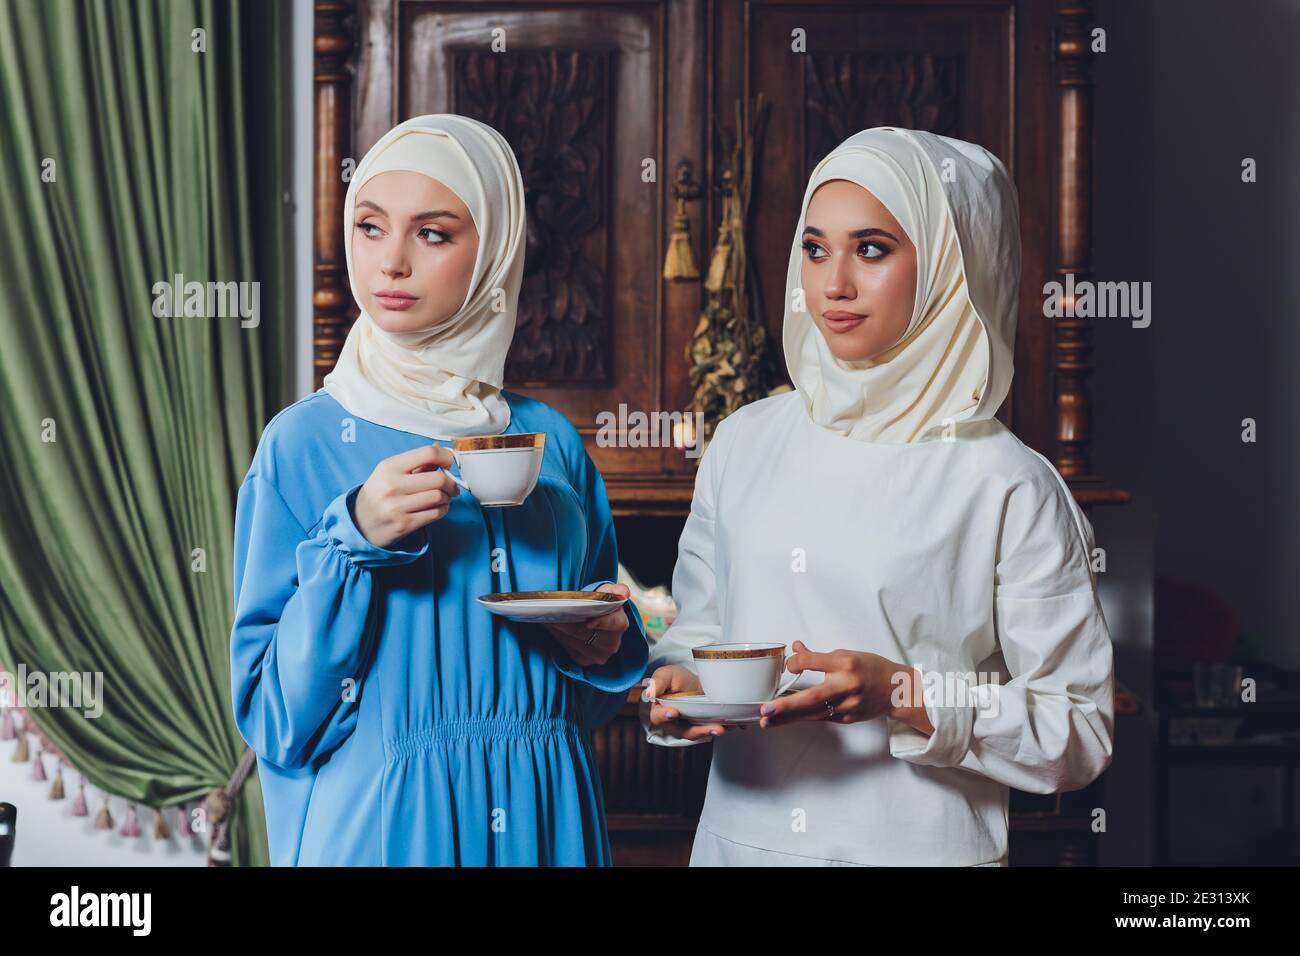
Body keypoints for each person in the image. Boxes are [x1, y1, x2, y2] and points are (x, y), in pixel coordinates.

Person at [641, 127, 1115, 866]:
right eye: (814, 247)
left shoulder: (1006, 481)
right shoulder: (742, 442)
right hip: (740, 847)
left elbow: (1078, 734)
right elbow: (697, 633)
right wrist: (675, 687)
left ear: (950, 268)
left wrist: (904, 692)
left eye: (871, 249)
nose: (832, 284)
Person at [230, 114, 648, 866]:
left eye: (432, 233)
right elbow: (277, 723)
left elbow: (589, 693)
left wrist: (607, 642)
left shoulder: (549, 441)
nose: (390, 262)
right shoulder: (303, 445)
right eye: (369, 226)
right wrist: (353, 538)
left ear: (493, 250)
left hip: (543, 812)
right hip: (384, 824)